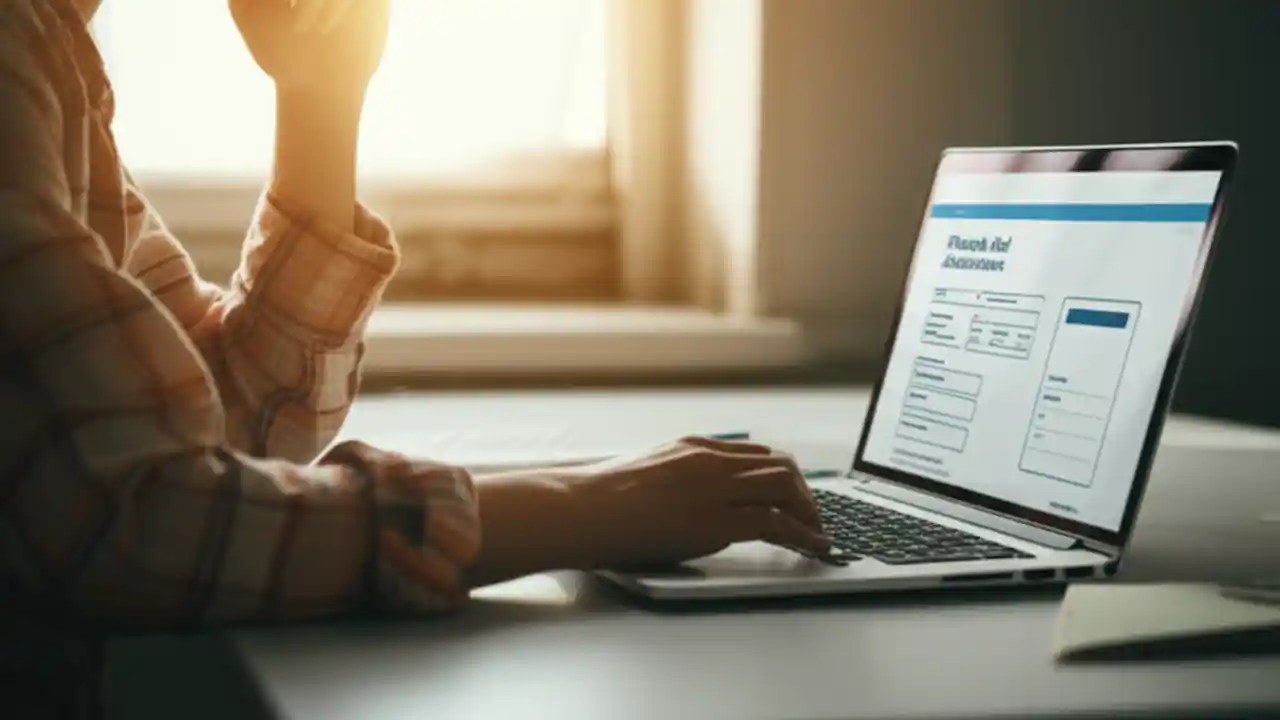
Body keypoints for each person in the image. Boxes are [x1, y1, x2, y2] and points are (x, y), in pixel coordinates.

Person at [0, 0, 829, 715]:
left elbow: (237, 418)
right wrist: (577, 507)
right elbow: (132, 520)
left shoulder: (48, 47)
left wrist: (320, 95)